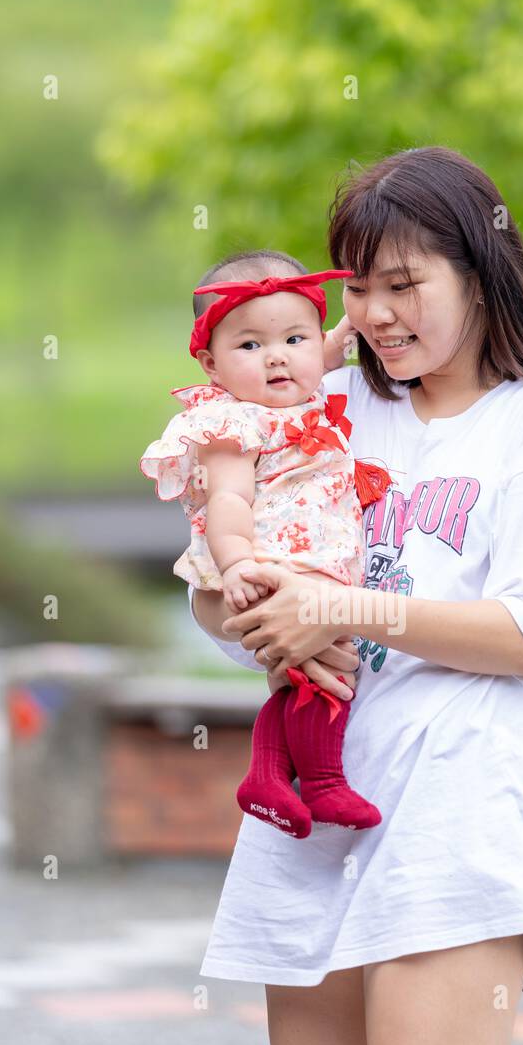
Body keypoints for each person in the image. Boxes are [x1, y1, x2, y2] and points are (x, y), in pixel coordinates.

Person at [190, 145, 523, 1045]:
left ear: (480, 271)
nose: (377, 314)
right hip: (313, 812)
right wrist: (247, 608)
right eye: (360, 288)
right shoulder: (327, 404)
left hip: (455, 813)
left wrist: (343, 607)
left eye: (405, 284)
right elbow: (215, 591)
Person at [140, 253, 395, 835]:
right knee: (327, 671)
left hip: (312, 556)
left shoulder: (297, 383)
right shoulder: (234, 423)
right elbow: (227, 502)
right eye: (249, 346)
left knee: (301, 672)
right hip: (269, 561)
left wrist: (345, 331)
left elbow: (317, 352)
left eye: (293, 338)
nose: (277, 357)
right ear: (210, 364)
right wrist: (238, 567)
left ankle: (268, 776)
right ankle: (324, 781)